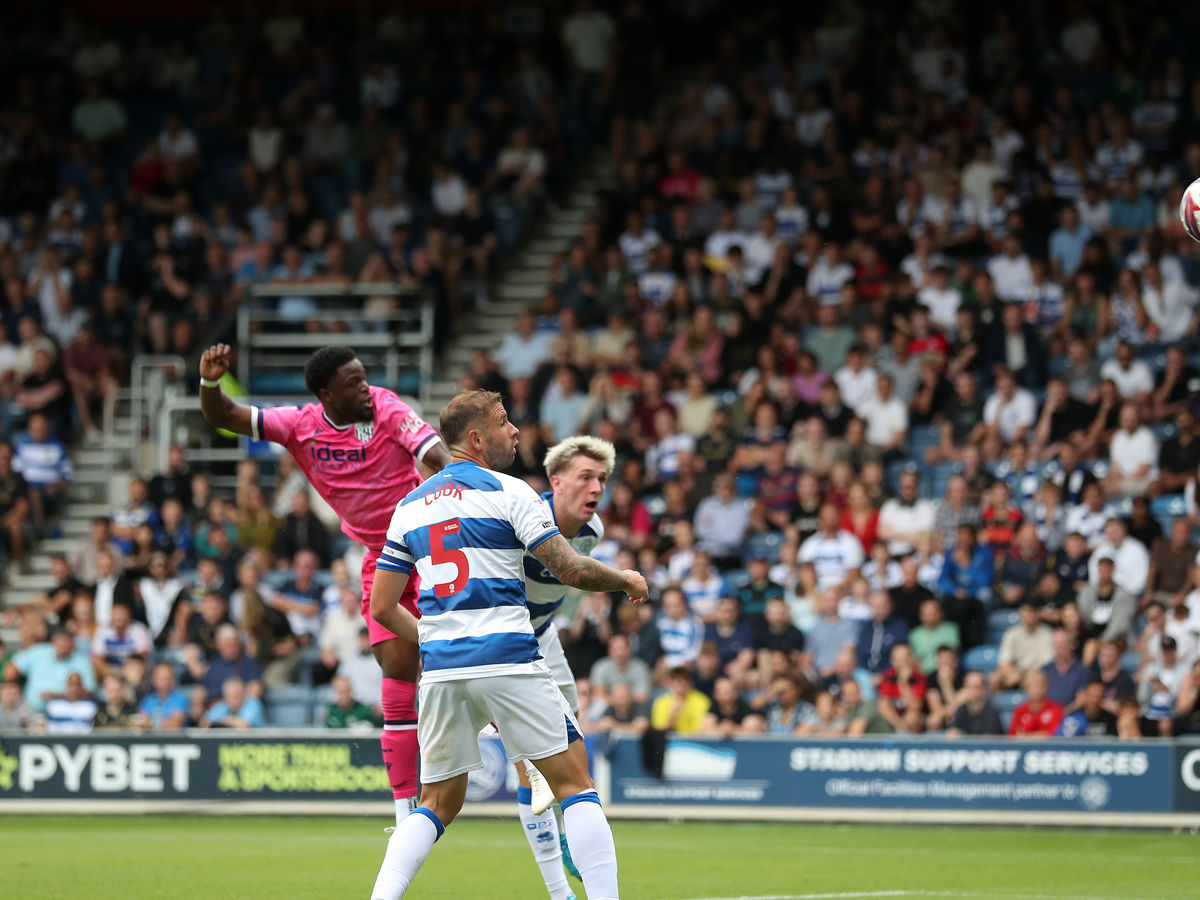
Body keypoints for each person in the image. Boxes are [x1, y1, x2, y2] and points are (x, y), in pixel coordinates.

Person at [367, 389, 648, 900]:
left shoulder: (408, 507)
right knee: (576, 786)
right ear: (476, 438)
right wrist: (625, 578)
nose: (515, 430)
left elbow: (383, 609)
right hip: (509, 657)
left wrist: (433, 636)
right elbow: (571, 568)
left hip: (444, 670)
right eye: (502, 422)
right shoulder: (510, 491)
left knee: (435, 804)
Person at [199, 343, 452, 821]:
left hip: (430, 543)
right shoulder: (300, 426)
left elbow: (434, 454)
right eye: (354, 382)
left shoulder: (387, 407)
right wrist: (209, 382)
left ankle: (490, 726)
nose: (365, 388)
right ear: (326, 394)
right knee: (398, 670)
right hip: (382, 557)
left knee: (455, 657)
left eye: (364, 377)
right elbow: (226, 414)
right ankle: (404, 810)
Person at [511, 434, 615, 897]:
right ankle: (559, 891)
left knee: (570, 751)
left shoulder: (594, 534)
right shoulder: (521, 516)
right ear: (555, 482)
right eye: (586, 477)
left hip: (544, 634)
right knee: (526, 766)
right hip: (503, 640)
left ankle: (575, 825)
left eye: (603, 479)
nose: (596, 487)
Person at [945, 671, 1005, 737]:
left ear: (984, 689)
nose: (971, 691)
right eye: (968, 687)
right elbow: (952, 733)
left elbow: (989, 740)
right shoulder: (962, 709)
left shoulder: (992, 712)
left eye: (975, 687)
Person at [1009, 670, 1064, 738]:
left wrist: (1025, 737)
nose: (1039, 689)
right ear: (1027, 688)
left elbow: (1052, 735)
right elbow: (1013, 736)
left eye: (1042, 685)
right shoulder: (1020, 711)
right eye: (1035, 685)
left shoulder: (1056, 709)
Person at [139, 661, 188, 730]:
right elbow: (141, 721)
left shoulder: (180, 699)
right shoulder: (147, 700)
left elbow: (175, 724)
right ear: (153, 679)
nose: (162, 681)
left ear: (172, 680)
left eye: (165, 678)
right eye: (159, 678)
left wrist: (150, 722)